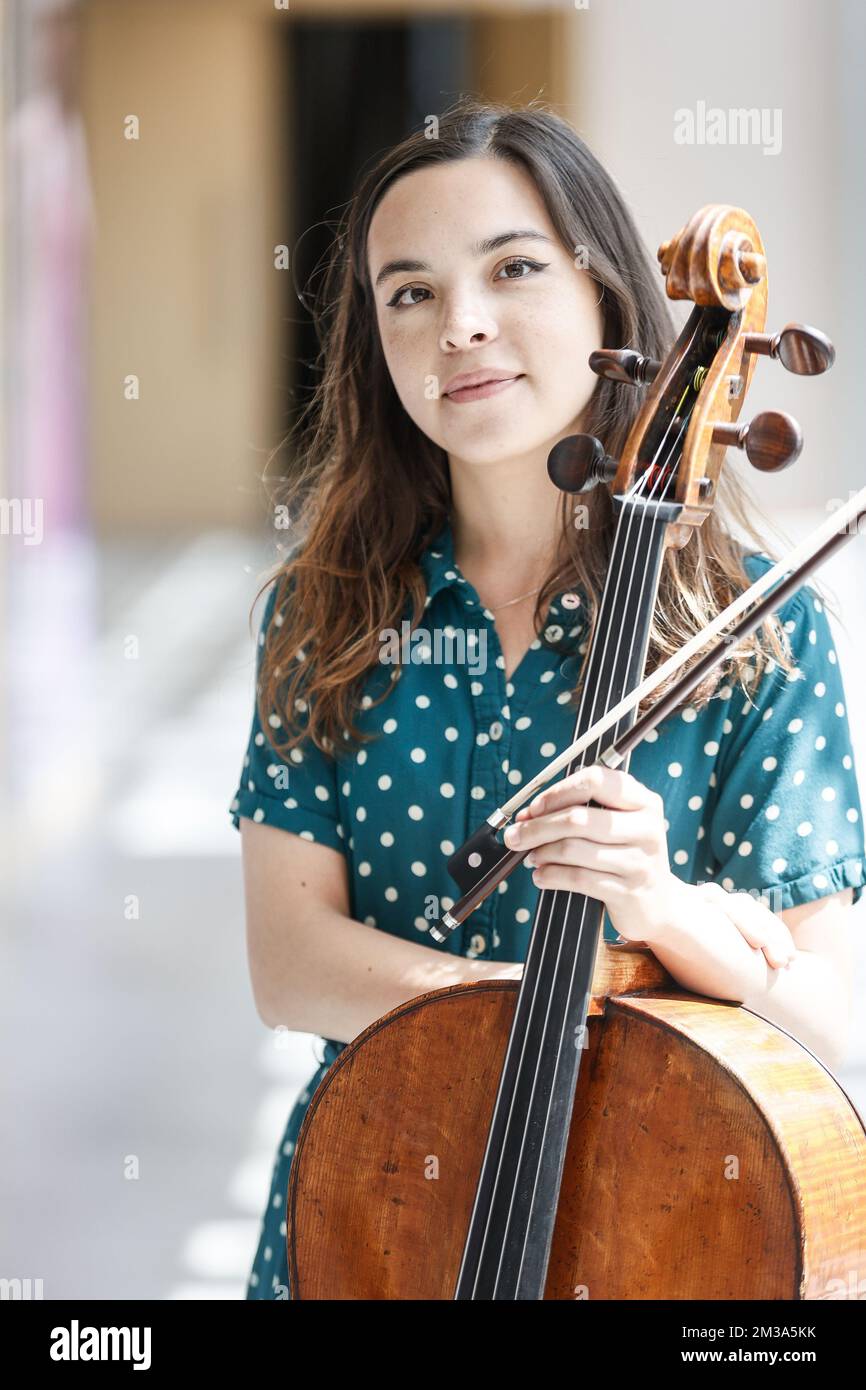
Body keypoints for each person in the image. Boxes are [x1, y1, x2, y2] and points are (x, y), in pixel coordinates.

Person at [227, 97, 865, 1300]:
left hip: (656, 1216)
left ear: (609, 306)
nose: (459, 325)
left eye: (512, 268)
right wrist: (550, 997)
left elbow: (827, 1015)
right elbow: (291, 963)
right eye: (406, 292)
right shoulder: (323, 613)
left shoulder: (758, 635)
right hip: (369, 1206)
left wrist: (654, 902)